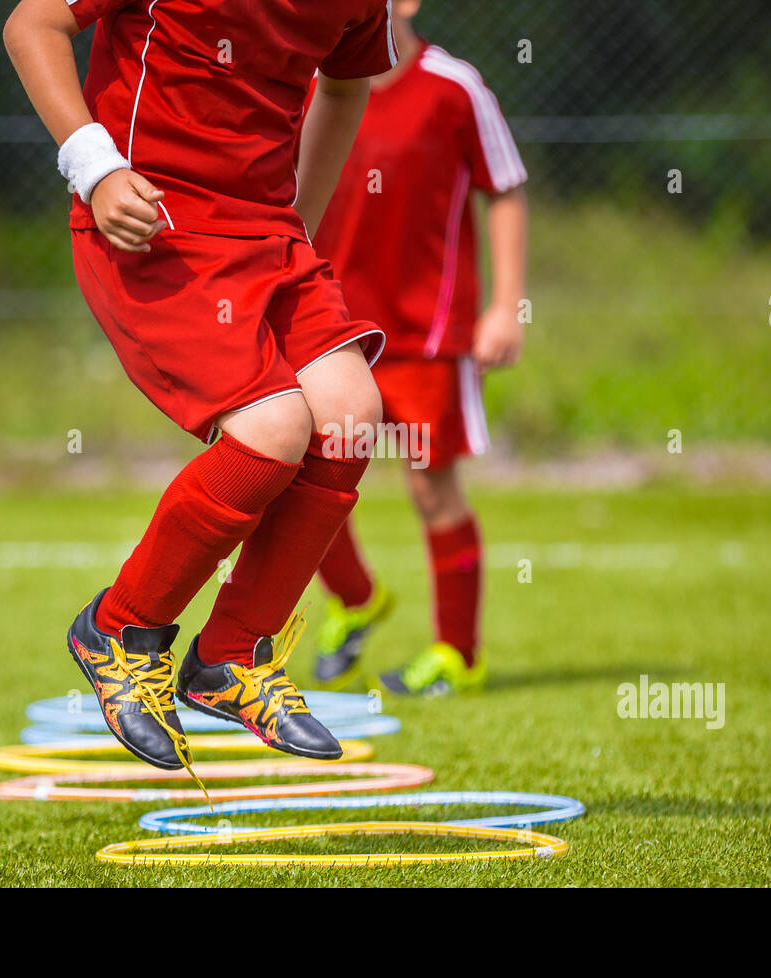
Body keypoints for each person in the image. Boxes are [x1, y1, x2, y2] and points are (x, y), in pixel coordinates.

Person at [3, 0, 397, 770]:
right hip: (153, 222)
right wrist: (97, 169)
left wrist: (298, 223)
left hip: (268, 233)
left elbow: (348, 86)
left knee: (351, 413)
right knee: (276, 428)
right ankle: (118, 630)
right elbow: (31, 25)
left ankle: (232, 657)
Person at [306, 0, 529, 697]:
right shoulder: (306, 87)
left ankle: (458, 654)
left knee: (431, 487)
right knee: (295, 474)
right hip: (328, 330)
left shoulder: (454, 86)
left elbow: (507, 190)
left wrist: (505, 306)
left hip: (428, 339)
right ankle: (356, 597)